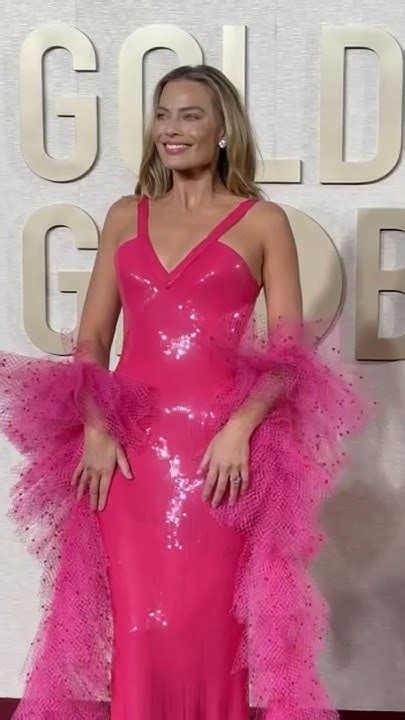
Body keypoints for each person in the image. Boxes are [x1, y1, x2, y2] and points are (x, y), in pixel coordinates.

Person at [0, 64, 367, 720]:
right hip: (129, 459)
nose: (171, 129)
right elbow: (92, 342)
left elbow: (289, 356)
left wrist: (240, 428)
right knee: (139, 630)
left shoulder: (262, 222)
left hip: (218, 462)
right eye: (163, 114)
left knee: (210, 629)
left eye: (190, 114)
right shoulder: (124, 216)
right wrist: (96, 429)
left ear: (222, 130)